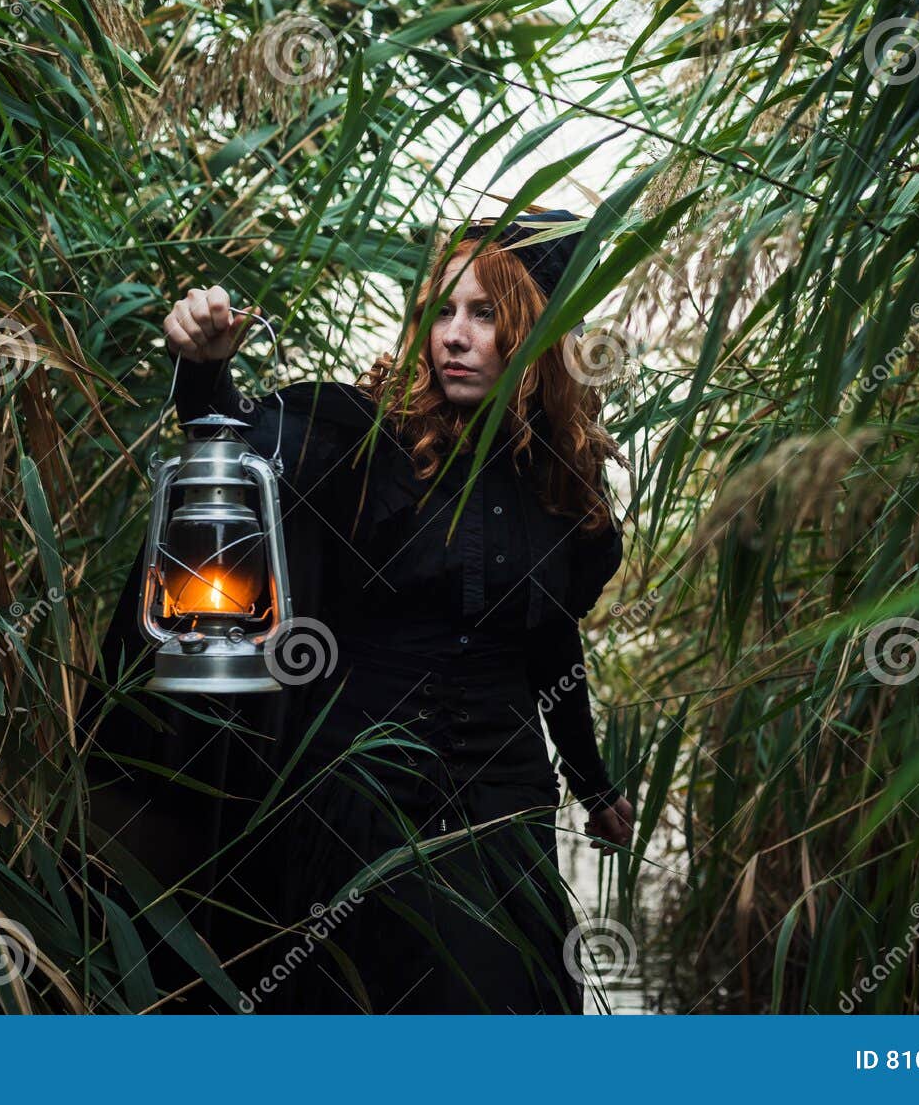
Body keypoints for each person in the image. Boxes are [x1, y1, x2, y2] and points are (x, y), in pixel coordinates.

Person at [152, 209, 634, 1013]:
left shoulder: (561, 484)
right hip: (360, 791)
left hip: (503, 800)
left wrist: (592, 783)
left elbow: (552, 646)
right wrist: (202, 369)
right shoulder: (362, 442)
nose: (454, 336)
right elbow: (235, 447)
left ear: (537, 337)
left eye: (485, 314)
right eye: (441, 312)